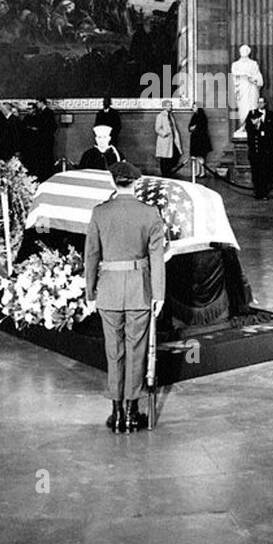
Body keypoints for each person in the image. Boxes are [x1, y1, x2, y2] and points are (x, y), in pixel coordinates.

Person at [83, 160, 166, 434]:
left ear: (112, 182)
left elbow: (91, 256)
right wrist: (159, 294)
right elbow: (156, 258)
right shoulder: (150, 213)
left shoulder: (99, 213)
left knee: (113, 351)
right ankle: (132, 411)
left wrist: (90, 291)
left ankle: (116, 411)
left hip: (107, 290)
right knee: (136, 351)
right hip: (138, 290)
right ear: (136, 183)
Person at [245, 96, 273, 200]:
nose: (260, 104)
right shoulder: (252, 113)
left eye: (262, 102)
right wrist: (255, 126)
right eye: (258, 102)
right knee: (256, 173)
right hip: (255, 150)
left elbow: (272, 130)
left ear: (265, 104)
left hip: (265, 150)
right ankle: (257, 192)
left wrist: (262, 126)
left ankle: (264, 192)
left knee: (265, 173)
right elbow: (248, 128)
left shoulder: (270, 114)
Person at [230, 45, 263, 137]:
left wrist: (252, 78)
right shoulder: (235, 64)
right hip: (241, 89)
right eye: (242, 50)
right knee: (243, 108)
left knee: (251, 107)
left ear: (249, 52)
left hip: (251, 87)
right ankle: (243, 126)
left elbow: (259, 78)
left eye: (245, 50)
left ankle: (251, 126)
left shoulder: (253, 64)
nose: (243, 52)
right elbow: (233, 78)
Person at [23, 98, 58, 180]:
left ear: (42, 102)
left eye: (37, 103)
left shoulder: (48, 112)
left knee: (47, 158)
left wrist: (39, 130)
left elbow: (51, 126)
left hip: (46, 140)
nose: (37, 105)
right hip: (40, 141)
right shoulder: (40, 113)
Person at [154, 100, 182, 177]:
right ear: (164, 107)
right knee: (164, 158)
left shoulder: (171, 116)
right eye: (169, 105)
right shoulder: (160, 116)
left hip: (171, 139)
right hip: (164, 140)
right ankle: (165, 173)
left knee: (175, 155)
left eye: (171, 105)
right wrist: (164, 133)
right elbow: (157, 128)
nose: (170, 107)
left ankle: (168, 170)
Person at [187, 101, 211, 178]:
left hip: (200, 140)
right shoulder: (195, 115)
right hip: (196, 139)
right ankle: (198, 172)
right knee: (197, 157)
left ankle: (202, 172)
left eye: (194, 107)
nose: (192, 108)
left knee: (201, 157)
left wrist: (193, 127)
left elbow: (199, 127)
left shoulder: (201, 116)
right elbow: (190, 127)